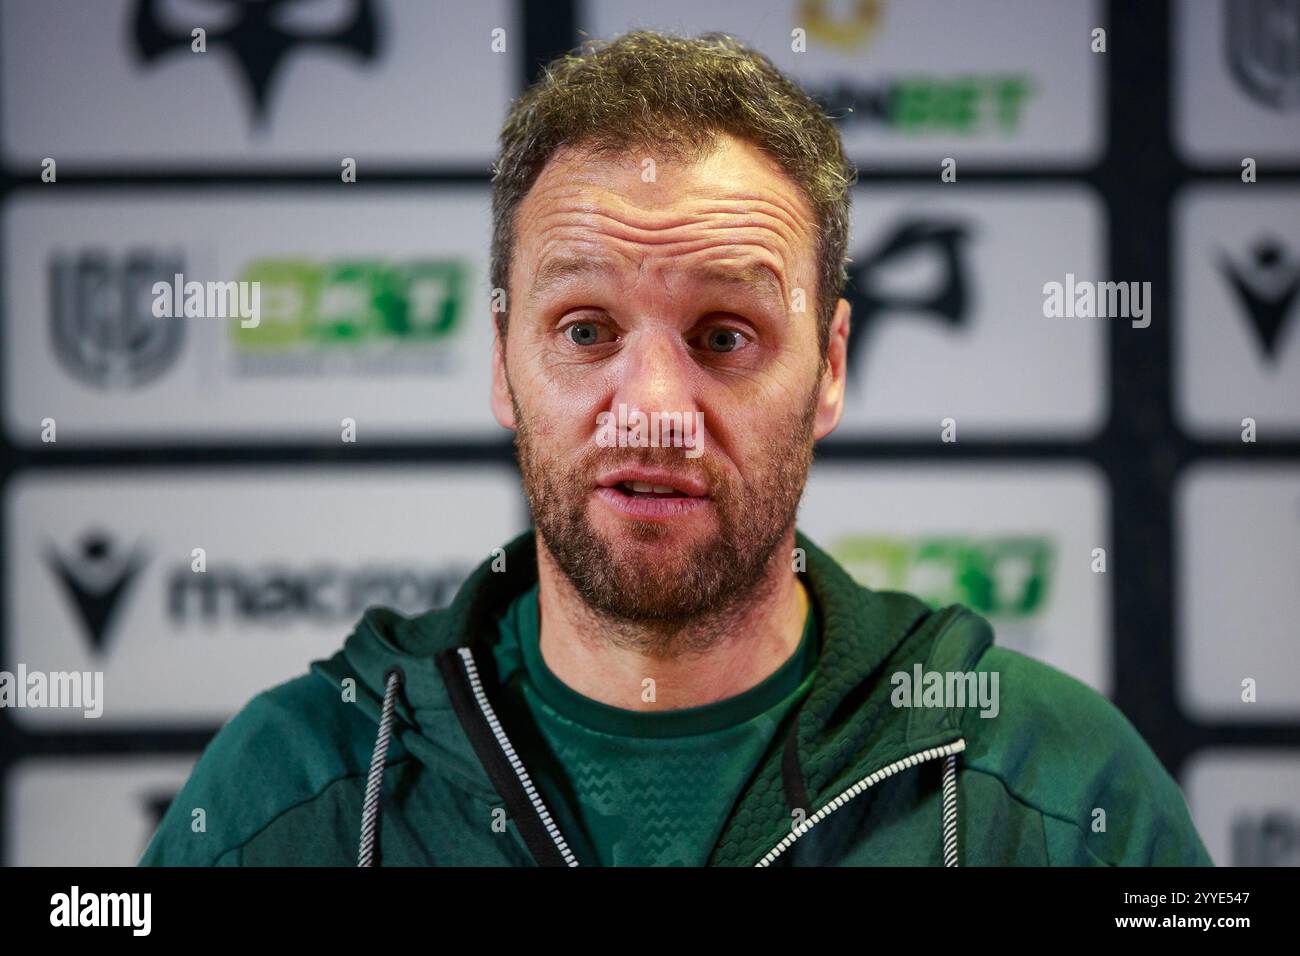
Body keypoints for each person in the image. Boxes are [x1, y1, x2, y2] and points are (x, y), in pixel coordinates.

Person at [141, 31, 1211, 867]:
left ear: (830, 365)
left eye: (723, 337)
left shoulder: (1057, 784)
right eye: (585, 331)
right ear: (501, 355)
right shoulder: (301, 782)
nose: (652, 407)